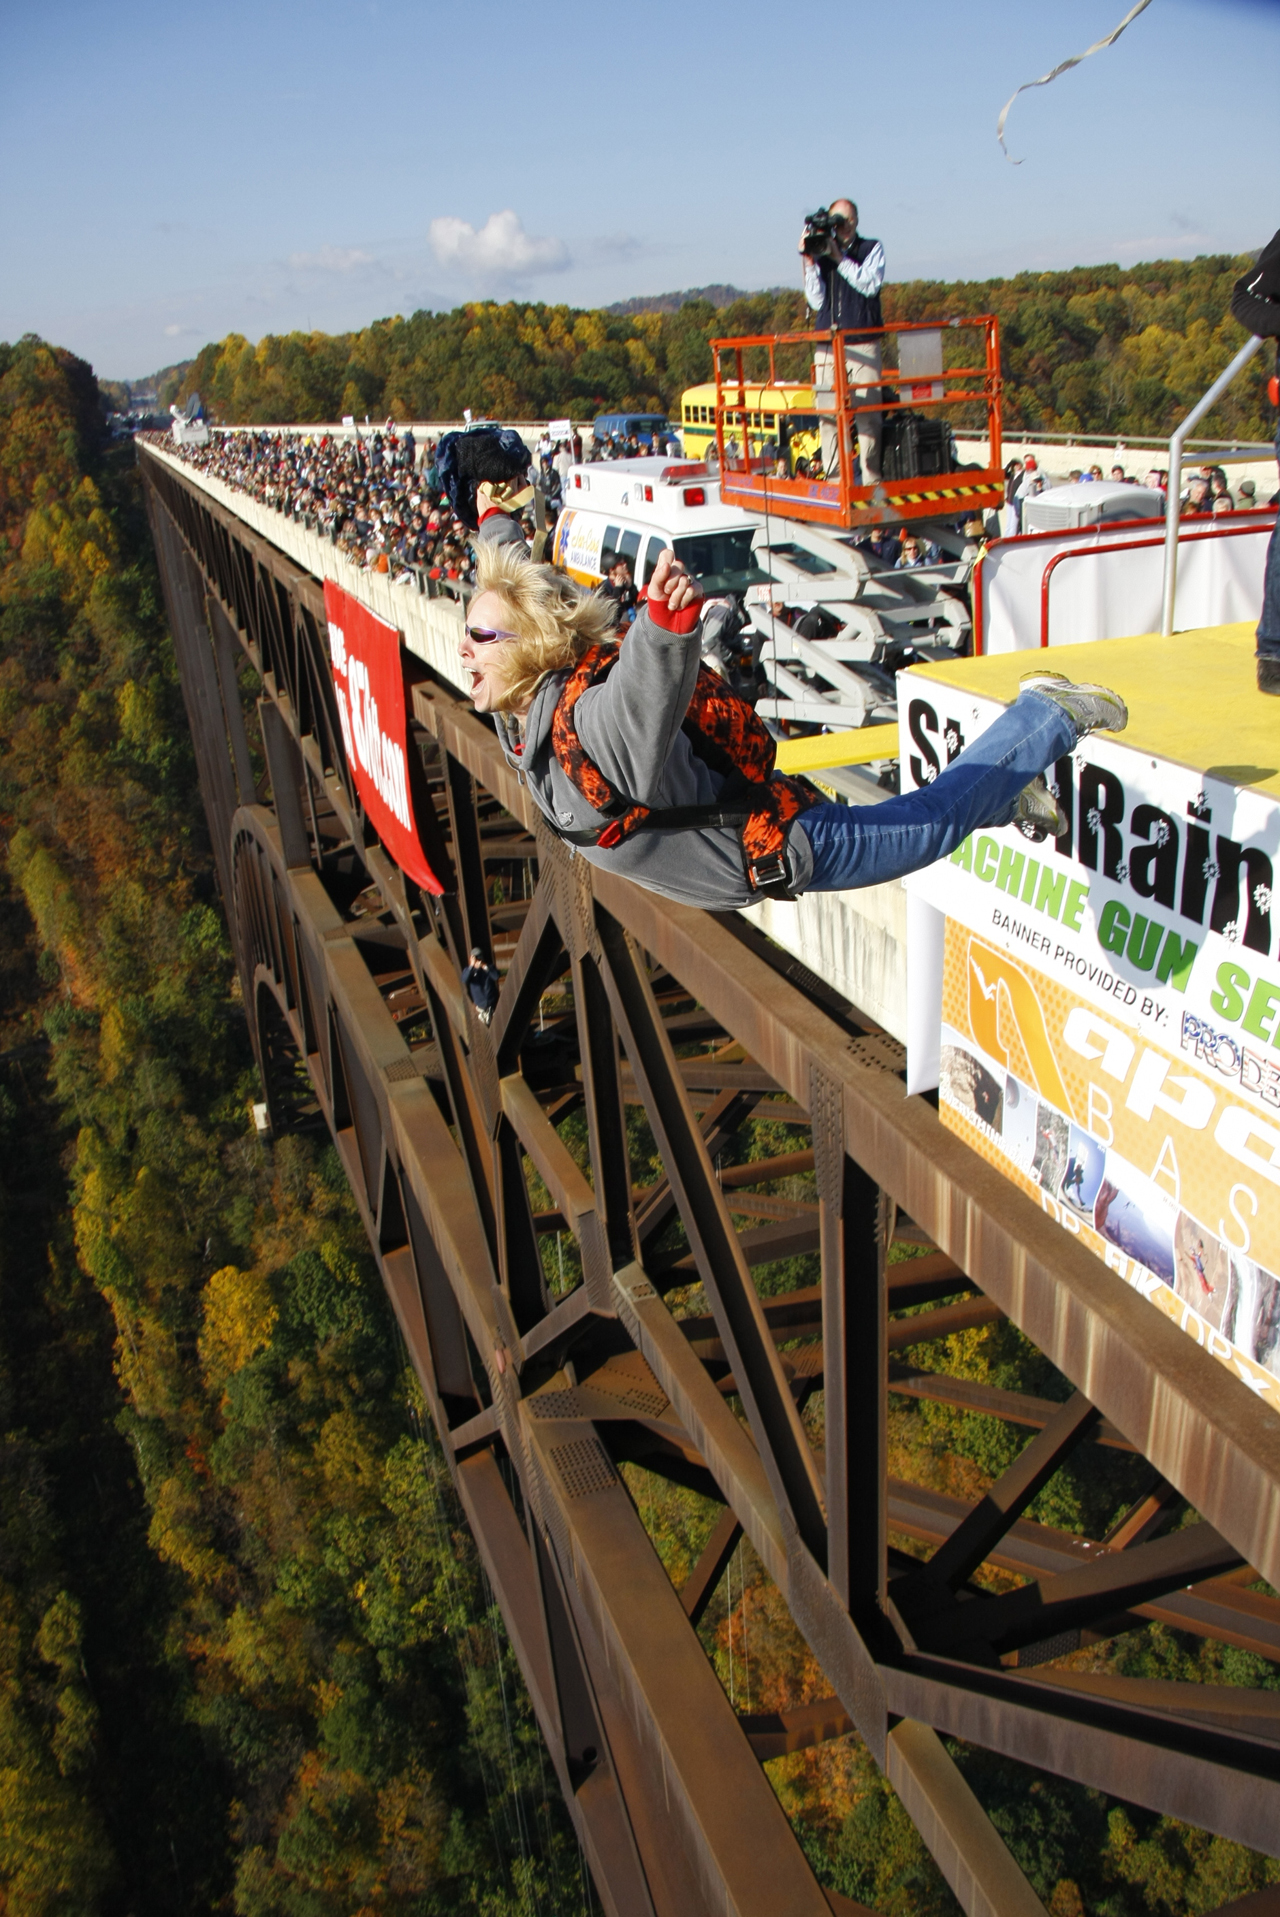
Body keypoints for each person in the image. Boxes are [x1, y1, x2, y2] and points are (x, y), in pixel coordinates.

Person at [457, 536, 1129, 911]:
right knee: (933, 824)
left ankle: (1048, 714)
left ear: (535, 645)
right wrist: (489, 510)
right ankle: (1007, 798)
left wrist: (661, 626)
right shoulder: (526, 731)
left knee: (928, 827)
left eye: (480, 637)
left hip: (787, 844)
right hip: (763, 846)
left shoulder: (582, 727)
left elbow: (634, 696)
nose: (462, 649)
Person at [800, 199, 886, 484]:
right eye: (837, 221)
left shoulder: (871, 249)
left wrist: (839, 259)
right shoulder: (822, 252)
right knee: (828, 416)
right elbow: (816, 301)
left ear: (857, 220)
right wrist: (809, 262)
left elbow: (870, 284)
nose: (844, 226)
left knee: (868, 416)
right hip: (828, 344)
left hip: (862, 343)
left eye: (848, 220)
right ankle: (835, 480)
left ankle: (871, 479)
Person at [463, 947, 500, 1024]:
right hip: (480, 1007)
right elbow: (464, 979)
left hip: (493, 1004)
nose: (478, 960)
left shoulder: (488, 967)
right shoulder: (469, 971)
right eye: (475, 958)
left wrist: (484, 966)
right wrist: (472, 966)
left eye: (479, 957)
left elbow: (496, 976)